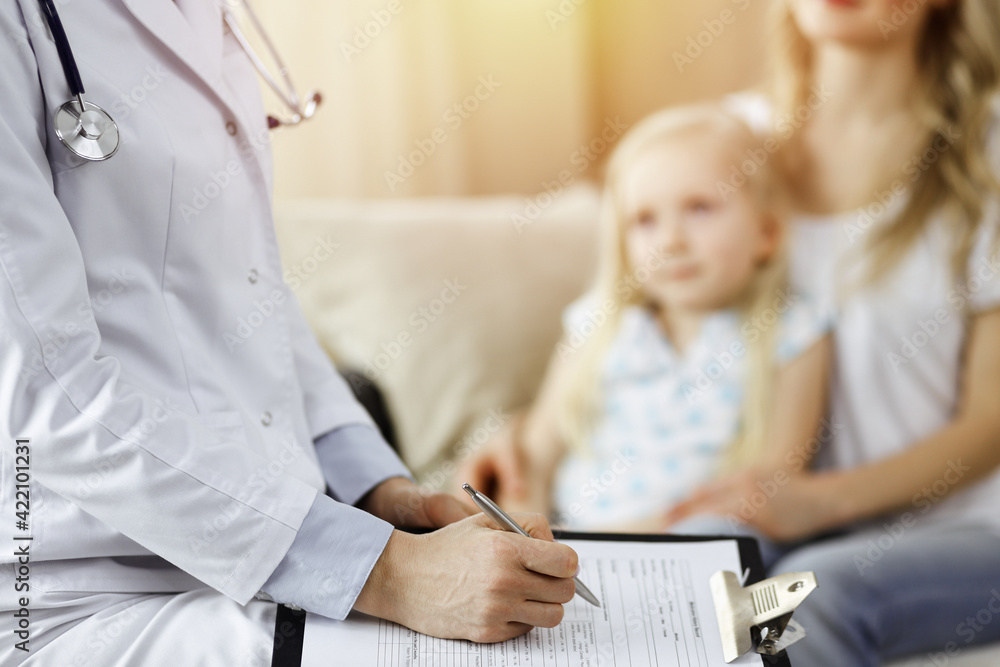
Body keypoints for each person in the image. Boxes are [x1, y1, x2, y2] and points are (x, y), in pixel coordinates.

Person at [0, 1, 577, 664]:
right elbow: (44, 395)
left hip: (263, 557)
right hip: (78, 595)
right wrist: (388, 571)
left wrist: (380, 495)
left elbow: (249, 291)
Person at [662, 0, 1000, 664]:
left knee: (807, 596)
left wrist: (820, 503)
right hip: (784, 508)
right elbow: (626, 314)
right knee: (687, 561)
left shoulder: (987, 152)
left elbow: (991, 418)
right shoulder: (726, 143)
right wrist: (530, 439)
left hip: (971, 527)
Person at [459, 104, 832, 536]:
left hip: (701, 543)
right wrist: (529, 536)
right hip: (570, 545)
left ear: (766, 233)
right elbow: (535, 459)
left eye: (700, 208)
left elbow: (772, 487)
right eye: (645, 220)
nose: (671, 241)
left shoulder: (795, 333)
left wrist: (638, 537)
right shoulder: (600, 325)